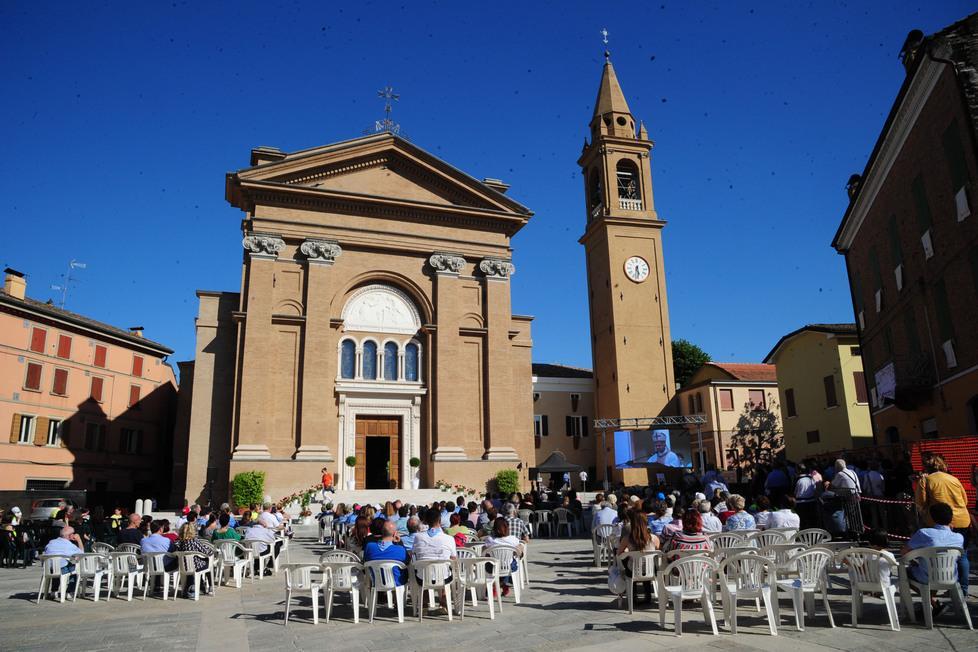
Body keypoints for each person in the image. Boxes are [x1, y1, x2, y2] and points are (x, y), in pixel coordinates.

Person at [903, 502, 968, 609]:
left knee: (905, 572)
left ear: (932, 518)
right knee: (933, 568)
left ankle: (929, 603)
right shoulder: (959, 537)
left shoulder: (924, 533)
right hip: (951, 577)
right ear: (951, 518)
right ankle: (932, 604)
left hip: (927, 576)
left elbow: (904, 552)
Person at [915, 453, 971, 542]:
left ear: (926, 467)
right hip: (962, 521)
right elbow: (965, 501)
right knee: (961, 552)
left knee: (939, 553)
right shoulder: (954, 479)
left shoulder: (925, 480)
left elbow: (921, 503)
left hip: (939, 523)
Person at [484, 516, 523, 597]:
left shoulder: (490, 540)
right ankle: (504, 584)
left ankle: (495, 585)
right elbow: (519, 553)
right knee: (511, 562)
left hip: (493, 567)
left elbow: (484, 553)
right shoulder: (513, 539)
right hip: (509, 567)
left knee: (489, 563)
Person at [363, 519, 408, 586]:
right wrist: (398, 543)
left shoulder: (369, 546)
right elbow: (407, 561)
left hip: (376, 582)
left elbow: (365, 560)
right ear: (395, 534)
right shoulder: (400, 549)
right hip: (396, 584)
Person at [175, 523, 212, 597]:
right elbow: (206, 552)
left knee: (193, 564)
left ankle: (198, 585)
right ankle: (210, 586)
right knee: (208, 562)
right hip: (195, 567)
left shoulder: (178, 542)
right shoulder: (194, 541)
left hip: (183, 567)